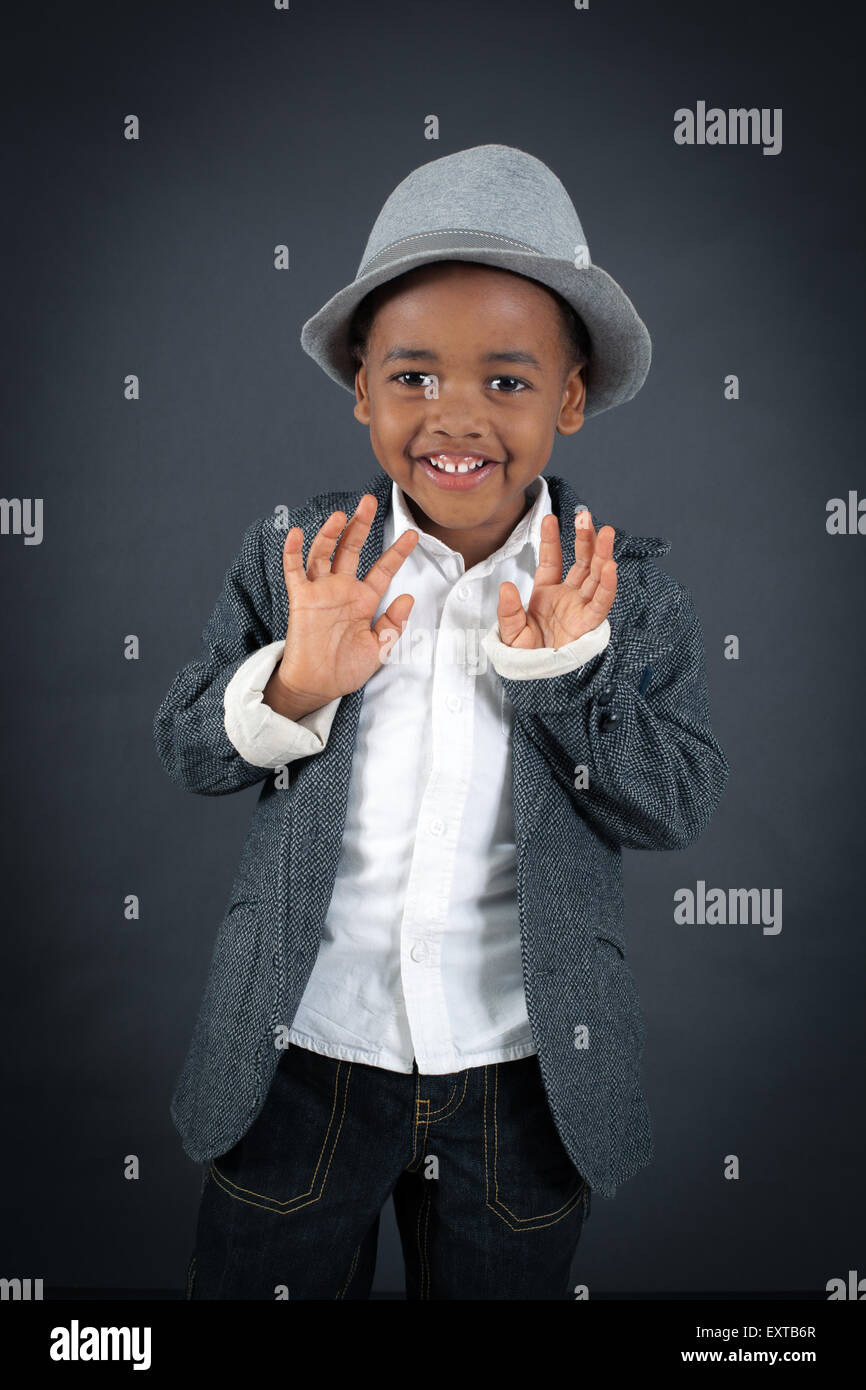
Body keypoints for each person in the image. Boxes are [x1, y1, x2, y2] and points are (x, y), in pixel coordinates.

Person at [153, 144, 729, 1300]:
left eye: (506, 382)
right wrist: (299, 679)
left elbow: (678, 803)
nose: (452, 415)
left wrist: (565, 679)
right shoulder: (299, 560)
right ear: (360, 387)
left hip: (520, 1080)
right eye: (411, 377)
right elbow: (187, 746)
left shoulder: (630, 594)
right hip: (303, 1055)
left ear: (570, 396)